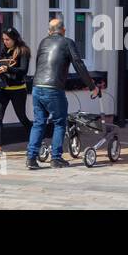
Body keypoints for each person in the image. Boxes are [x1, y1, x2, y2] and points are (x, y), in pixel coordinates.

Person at [26, 17, 101, 170]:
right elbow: (79, 64)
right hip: (53, 88)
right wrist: (92, 86)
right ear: (64, 30)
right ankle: (56, 158)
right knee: (60, 122)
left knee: (39, 123)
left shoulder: (43, 42)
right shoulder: (67, 42)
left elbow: (39, 64)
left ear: (49, 31)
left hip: (37, 86)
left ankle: (31, 158)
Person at [0, 27, 32, 157]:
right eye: (3, 39)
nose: (5, 42)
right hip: (2, 88)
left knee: (22, 117)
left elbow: (23, 70)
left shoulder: (23, 51)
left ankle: (35, 141)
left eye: (7, 39)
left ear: (14, 39)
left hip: (17, 89)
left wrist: (7, 69)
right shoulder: (4, 50)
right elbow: (3, 67)